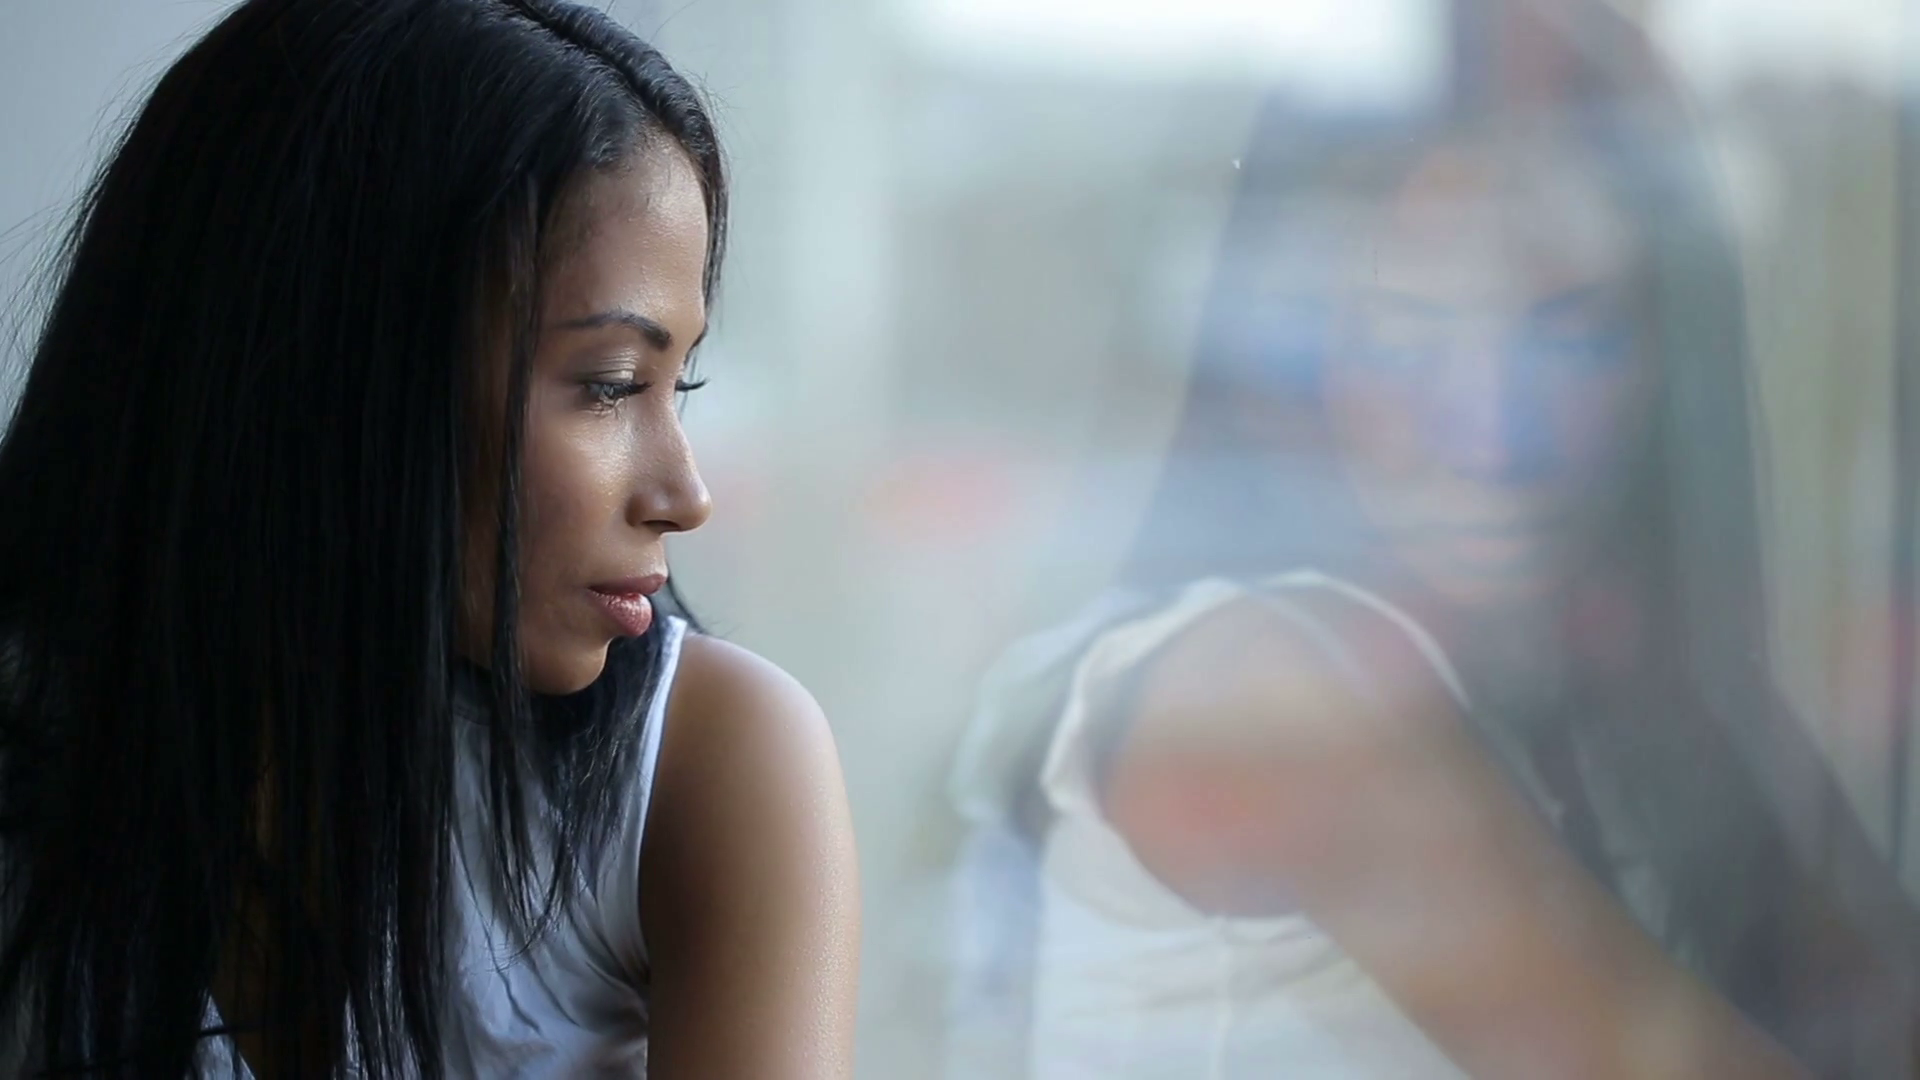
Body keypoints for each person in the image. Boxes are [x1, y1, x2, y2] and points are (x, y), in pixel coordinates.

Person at [946, 1, 1918, 1076]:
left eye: (1569, 323)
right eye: (1411, 327)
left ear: (1659, 361)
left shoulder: (1580, 679)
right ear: (1296, 372)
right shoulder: (1265, 686)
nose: (1492, 418)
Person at [0, 1, 860, 1076]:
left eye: (674, 382)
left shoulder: (707, 765)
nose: (685, 495)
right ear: (328, 372)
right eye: (608, 386)